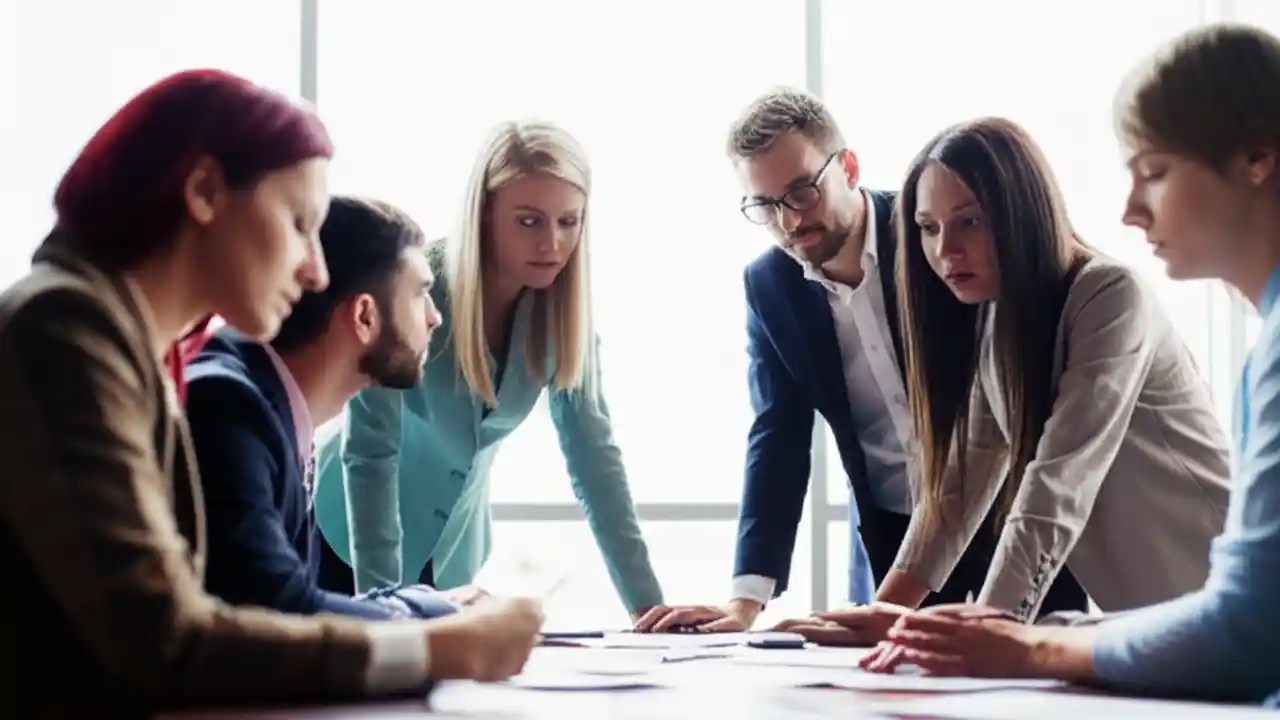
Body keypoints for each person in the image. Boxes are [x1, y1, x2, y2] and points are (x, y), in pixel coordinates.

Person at [0, 69, 541, 713]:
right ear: (204, 191)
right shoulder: (67, 329)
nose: (315, 271)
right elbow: (161, 640)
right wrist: (442, 650)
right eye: (298, 222)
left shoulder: (139, 352)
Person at [860, 23, 1280, 704]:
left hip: (1200, 612)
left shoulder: (1110, 295)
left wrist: (996, 636)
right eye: (928, 228)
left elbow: (1058, 485)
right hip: (1155, 637)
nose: (945, 250)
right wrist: (891, 619)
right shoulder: (998, 321)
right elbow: (962, 484)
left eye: (1156, 172)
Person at [637, 88, 1047, 635]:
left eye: (802, 191)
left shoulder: (933, 236)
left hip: (1011, 513)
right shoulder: (770, 285)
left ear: (848, 167)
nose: (788, 221)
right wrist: (745, 601)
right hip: (893, 536)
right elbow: (777, 436)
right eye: (764, 206)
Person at [313, 120, 663, 619]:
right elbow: (371, 454)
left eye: (569, 221)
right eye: (529, 221)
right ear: (484, 214)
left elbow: (596, 462)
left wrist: (649, 610)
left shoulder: (564, 320)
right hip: (345, 541)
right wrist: (384, 605)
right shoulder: (412, 291)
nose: (552, 244)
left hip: (451, 558)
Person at [186, 194, 474, 620]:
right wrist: (431, 615)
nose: (435, 317)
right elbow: (278, 608)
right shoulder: (228, 409)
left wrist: (432, 604)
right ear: (364, 316)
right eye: (421, 294)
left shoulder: (273, 404)